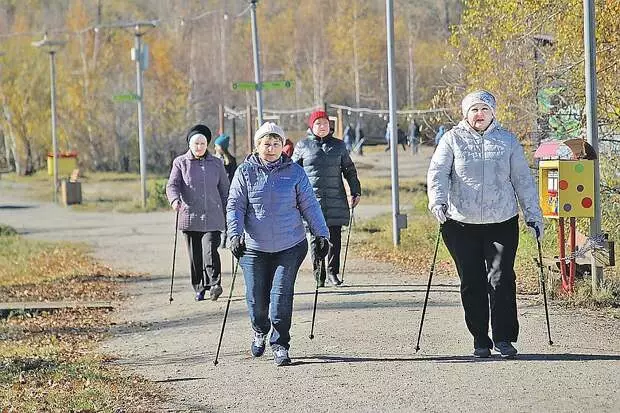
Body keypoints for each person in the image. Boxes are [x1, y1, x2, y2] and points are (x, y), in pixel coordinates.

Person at [427, 90, 543, 359]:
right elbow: (438, 173)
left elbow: (523, 180)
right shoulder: (452, 139)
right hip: (460, 223)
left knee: (501, 278)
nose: (479, 115)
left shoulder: (507, 141)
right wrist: (438, 202)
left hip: (501, 220)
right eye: (474, 110)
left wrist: (533, 214)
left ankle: (504, 338)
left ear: (493, 112)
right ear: (465, 114)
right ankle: (480, 337)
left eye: (484, 109)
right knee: (472, 280)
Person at [227, 122, 329, 367]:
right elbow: (236, 205)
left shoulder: (295, 172)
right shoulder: (245, 171)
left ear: (283, 146)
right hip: (253, 247)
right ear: (257, 145)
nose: (271, 148)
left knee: (281, 297)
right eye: (266, 143)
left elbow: (310, 205)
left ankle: (280, 343)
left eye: (276, 144)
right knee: (256, 300)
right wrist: (234, 234)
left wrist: (321, 234)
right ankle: (260, 330)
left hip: (290, 245)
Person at [292, 110, 361, 287]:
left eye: (325, 123)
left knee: (334, 238)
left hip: (335, 199)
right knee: (315, 239)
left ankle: (332, 272)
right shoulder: (302, 146)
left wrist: (355, 190)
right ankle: (319, 273)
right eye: (318, 123)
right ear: (311, 126)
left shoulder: (339, 146)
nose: (322, 127)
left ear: (329, 126)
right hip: (311, 201)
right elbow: (292, 173)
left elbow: (349, 170)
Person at [166, 124, 230, 302]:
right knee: (195, 256)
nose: (199, 146)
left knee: (210, 249)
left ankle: (215, 284)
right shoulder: (180, 162)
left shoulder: (217, 163)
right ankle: (200, 287)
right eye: (196, 143)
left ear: (207, 144)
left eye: (203, 143)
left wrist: (230, 211)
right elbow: (172, 185)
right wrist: (174, 200)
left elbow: (225, 189)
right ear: (189, 144)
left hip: (213, 215)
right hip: (190, 216)